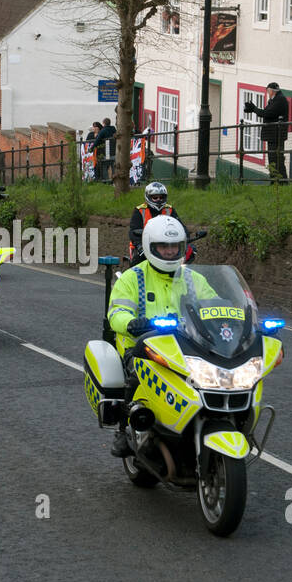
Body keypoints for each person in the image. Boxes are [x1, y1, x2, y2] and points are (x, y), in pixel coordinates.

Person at [105, 216, 200, 457]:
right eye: (163, 246)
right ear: (150, 246)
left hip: (186, 346)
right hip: (141, 347)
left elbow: (213, 304)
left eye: (174, 247)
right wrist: (132, 322)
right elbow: (116, 313)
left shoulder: (192, 278)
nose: (169, 252)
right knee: (136, 379)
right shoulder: (132, 278)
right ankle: (123, 429)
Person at [127, 181, 186, 266]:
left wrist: (188, 241)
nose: (159, 200)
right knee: (137, 268)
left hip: (167, 246)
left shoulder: (170, 210)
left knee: (183, 264)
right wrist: (140, 246)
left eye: (161, 197)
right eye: (155, 197)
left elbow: (181, 227)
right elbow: (133, 231)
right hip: (143, 247)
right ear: (148, 197)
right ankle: (131, 277)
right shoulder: (139, 210)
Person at [246, 83, 290, 184]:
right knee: (273, 159)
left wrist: (254, 109)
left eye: (268, 90)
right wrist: (254, 109)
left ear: (272, 91)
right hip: (273, 134)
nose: (267, 93)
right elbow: (266, 112)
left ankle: (280, 182)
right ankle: (275, 181)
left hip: (276, 134)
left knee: (276, 159)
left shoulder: (280, 100)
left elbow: (267, 113)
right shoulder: (275, 100)